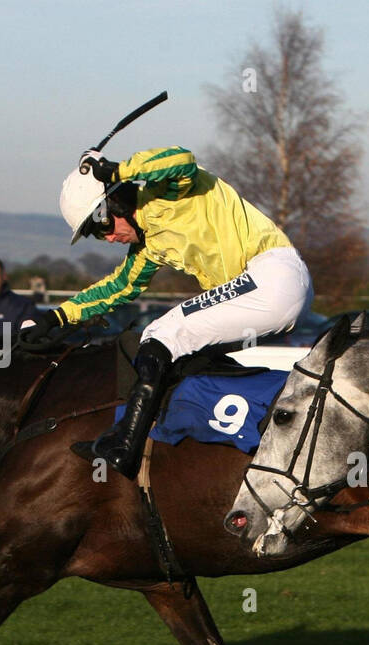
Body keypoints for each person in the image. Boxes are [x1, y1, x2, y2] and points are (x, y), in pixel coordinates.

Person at [19, 146, 313, 478]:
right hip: (267, 289)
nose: (109, 238)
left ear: (114, 202)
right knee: (184, 359)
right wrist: (55, 318)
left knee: (160, 334)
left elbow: (182, 161)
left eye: (101, 227)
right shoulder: (148, 245)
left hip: (272, 277)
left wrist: (118, 171)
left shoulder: (168, 195)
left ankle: (125, 445)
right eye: (97, 236)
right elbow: (118, 287)